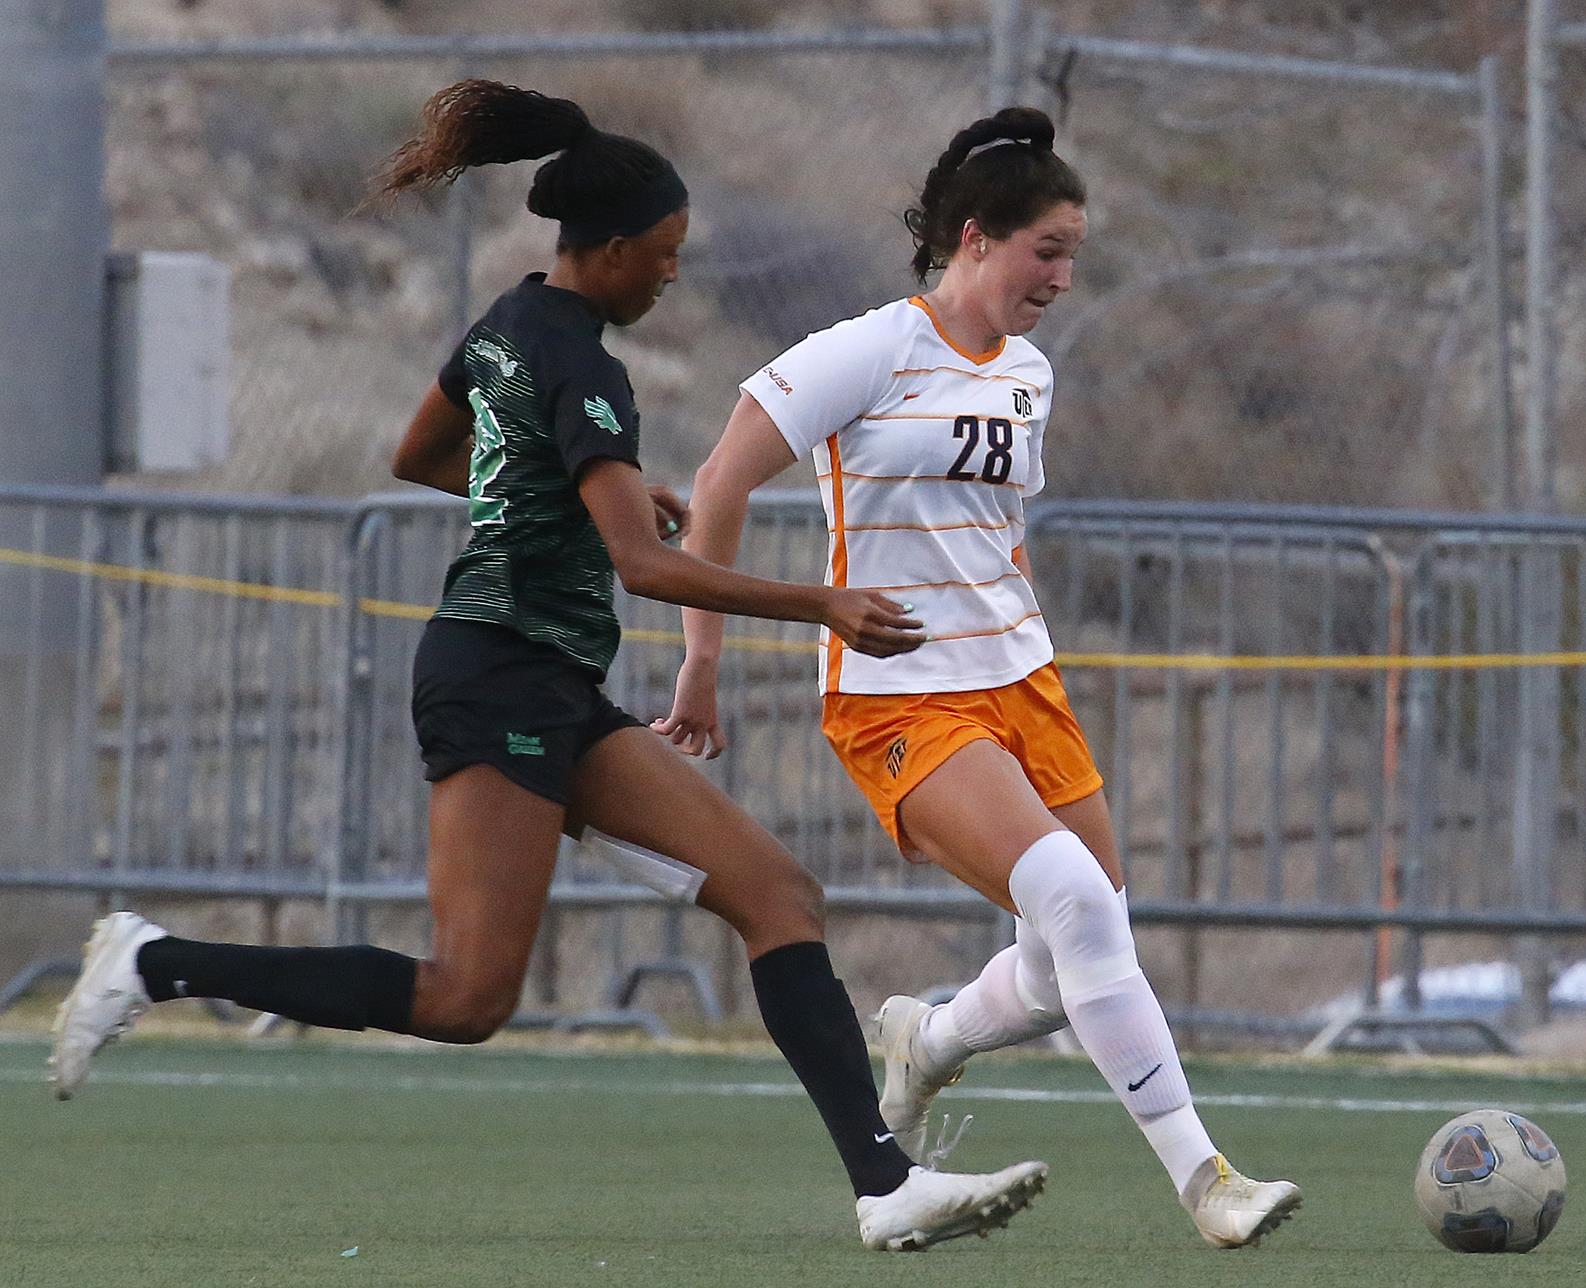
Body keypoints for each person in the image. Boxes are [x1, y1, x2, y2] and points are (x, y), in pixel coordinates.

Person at [48, 80, 1047, 1253]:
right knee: (467, 998)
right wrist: (817, 600)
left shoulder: (505, 322)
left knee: (777, 895)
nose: (671, 276)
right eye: (663, 256)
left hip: (548, 685)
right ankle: (152, 960)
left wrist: (572, 488)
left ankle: (887, 1187)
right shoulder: (584, 366)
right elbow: (643, 566)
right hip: (496, 679)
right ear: (611, 249)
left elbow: (424, 453)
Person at [660, 105, 1302, 1249]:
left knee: (1079, 950)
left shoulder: (1028, 374)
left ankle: (933, 1038)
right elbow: (717, 482)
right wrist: (700, 661)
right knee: (1068, 897)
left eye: (1072, 256)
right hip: (898, 695)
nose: (1060, 276)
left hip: (1024, 686)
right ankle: (1206, 1181)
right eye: (1045, 251)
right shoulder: (868, 349)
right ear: (972, 239)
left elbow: (985, 534)